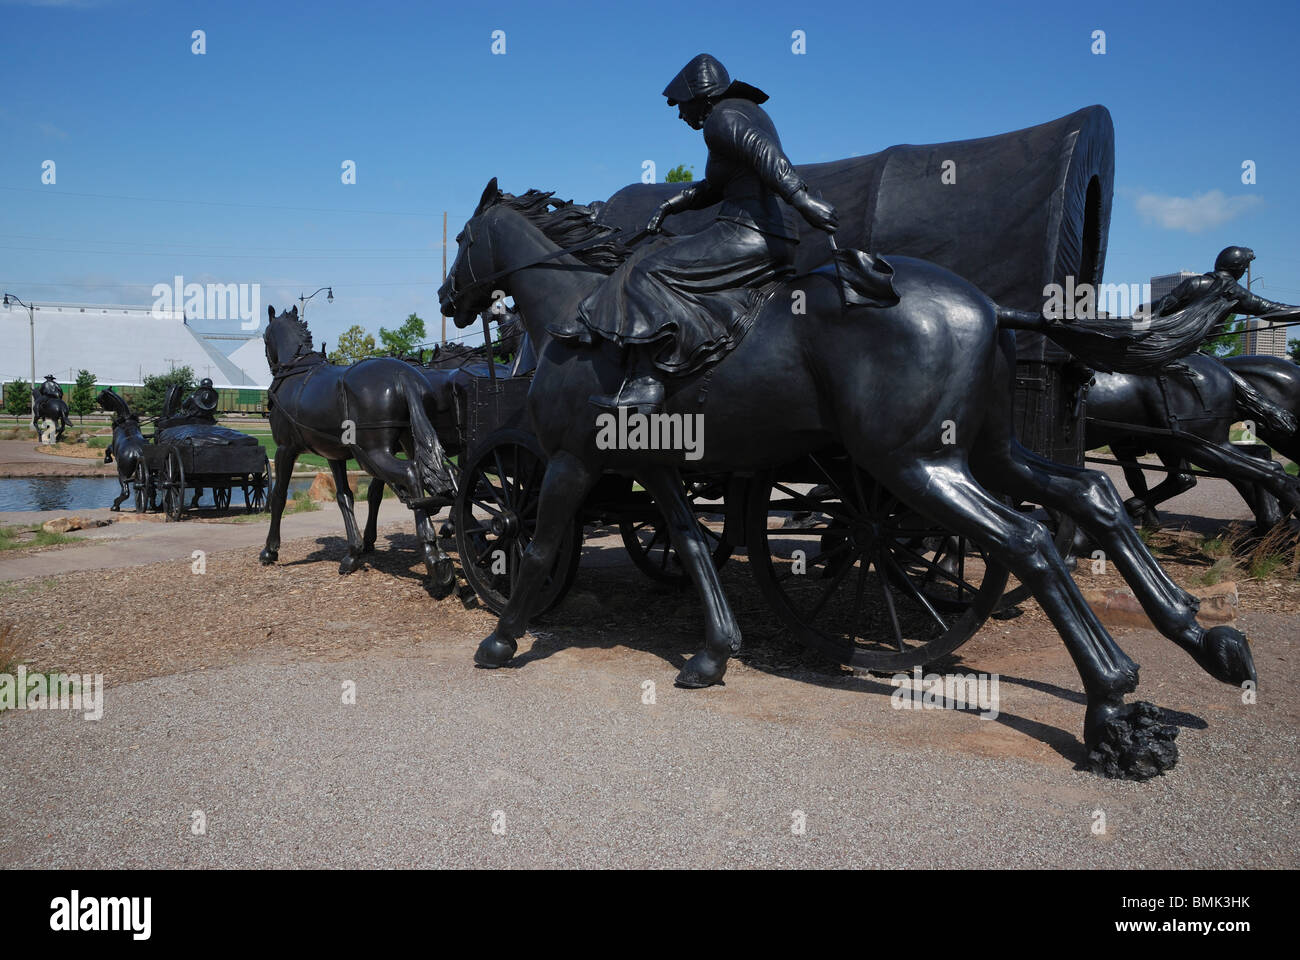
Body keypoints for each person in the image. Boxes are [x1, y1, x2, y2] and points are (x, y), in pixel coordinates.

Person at [550, 54, 838, 414]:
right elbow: (717, 185)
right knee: (654, 251)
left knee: (645, 272)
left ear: (700, 96)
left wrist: (803, 198)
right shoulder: (743, 111)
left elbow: (764, 154)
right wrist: (671, 204)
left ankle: (646, 383)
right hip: (775, 237)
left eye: (680, 105)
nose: (679, 114)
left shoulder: (721, 119)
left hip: (748, 234)